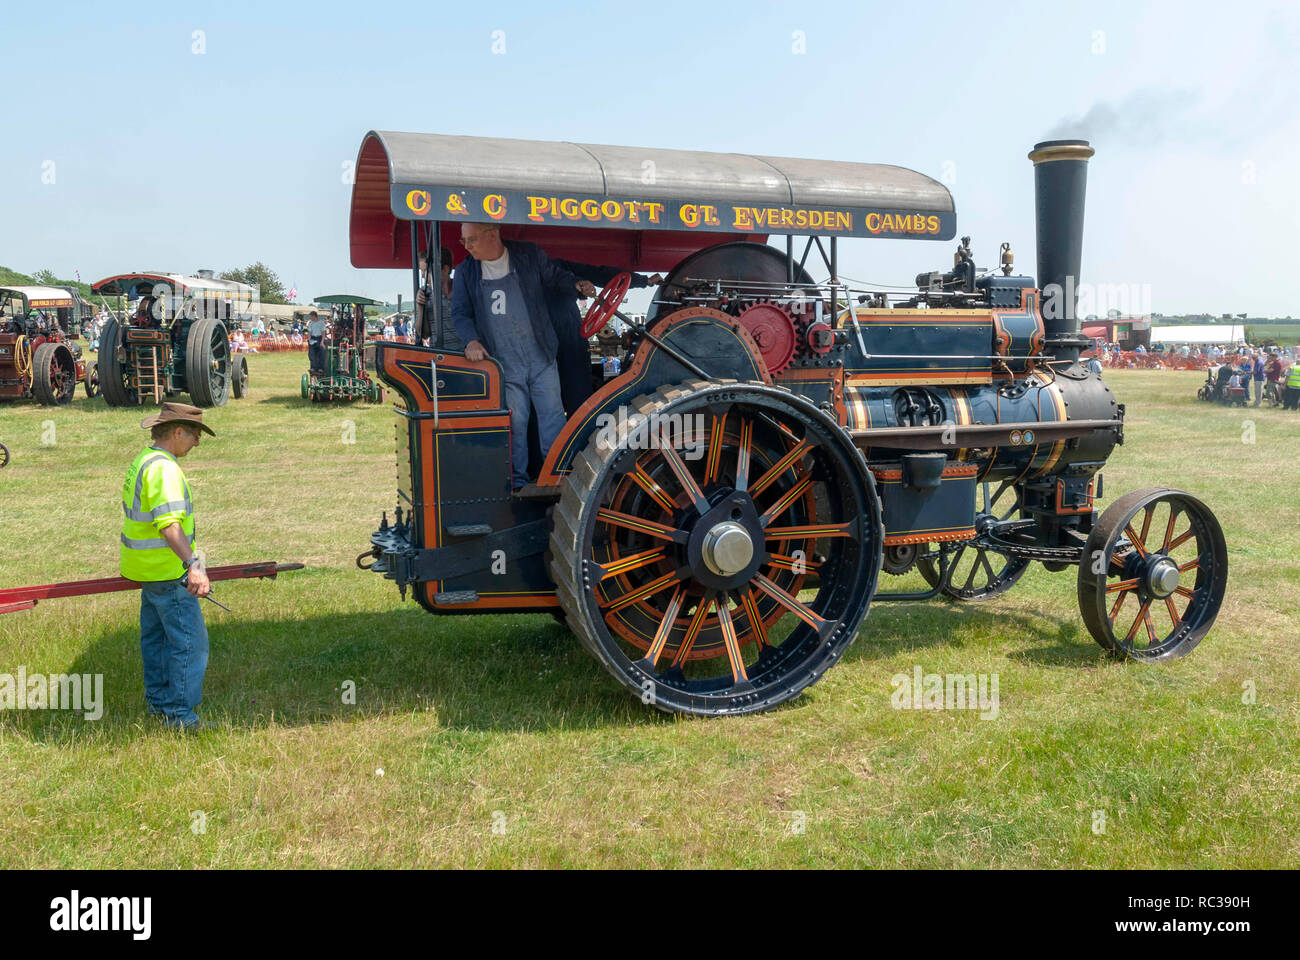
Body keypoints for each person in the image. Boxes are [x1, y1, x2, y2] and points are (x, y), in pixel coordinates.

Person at [446, 222, 595, 490]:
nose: (465, 246)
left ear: (493, 235)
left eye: (471, 240)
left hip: (541, 356)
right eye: (463, 240)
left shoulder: (529, 255)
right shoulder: (466, 271)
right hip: (504, 363)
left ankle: (556, 477)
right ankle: (516, 483)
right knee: (515, 422)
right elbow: (460, 313)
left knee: (552, 417)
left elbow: (555, 277)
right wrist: (471, 340)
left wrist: (576, 284)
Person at [120, 403, 215, 732]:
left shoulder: (143, 460)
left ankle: (159, 704)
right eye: (195, 435)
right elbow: (169, 525)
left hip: (147, 569)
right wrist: (193, 565)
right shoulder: (164, 469)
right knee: (190, 643)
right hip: (166, 570)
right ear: (177, 431)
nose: (196, 443)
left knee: (156, 640)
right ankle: (180, 718)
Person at [547, 260, 662, 415]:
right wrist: (644, 281)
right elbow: (600, 274)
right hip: (567, 339)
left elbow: (601, 274)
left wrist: (642, 280)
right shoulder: (554, 267)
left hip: (540, 343)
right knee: (577, 391)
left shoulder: (536, 268)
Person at [415, 247, 464, 351]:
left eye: (427, 271)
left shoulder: (464, 289)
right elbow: (424, 334)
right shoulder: (426, 294)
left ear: (445, 269)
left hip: (466, 356)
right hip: (440, 357)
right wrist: (420, 307)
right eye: (422, 272)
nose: (423, 276)